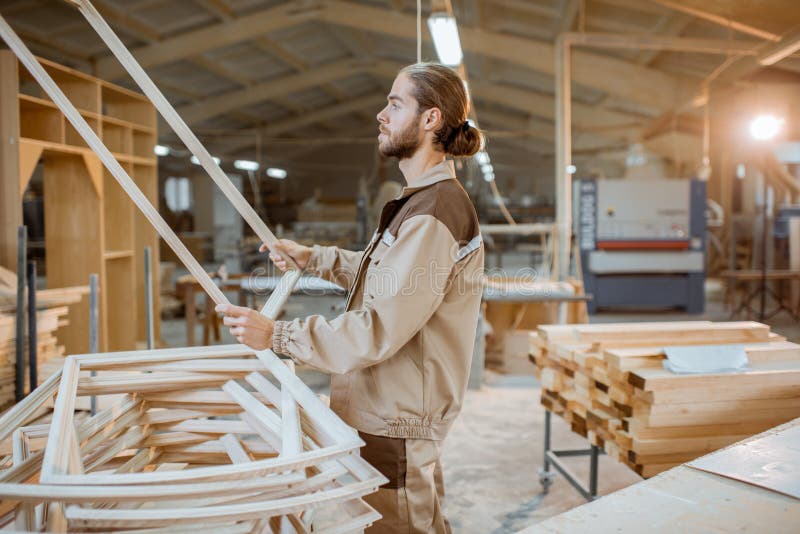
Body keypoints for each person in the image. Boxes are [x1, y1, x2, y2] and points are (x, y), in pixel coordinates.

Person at [217, 62, 485, 533]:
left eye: (395, 104)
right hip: (390, 408)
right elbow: (386, 277)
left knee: (400, 525)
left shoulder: (434, 210)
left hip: (396, 419)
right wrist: (313, 258)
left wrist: (277, 334)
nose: (381, 115)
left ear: (430, 120)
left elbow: (378, 327)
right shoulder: (421, 201)